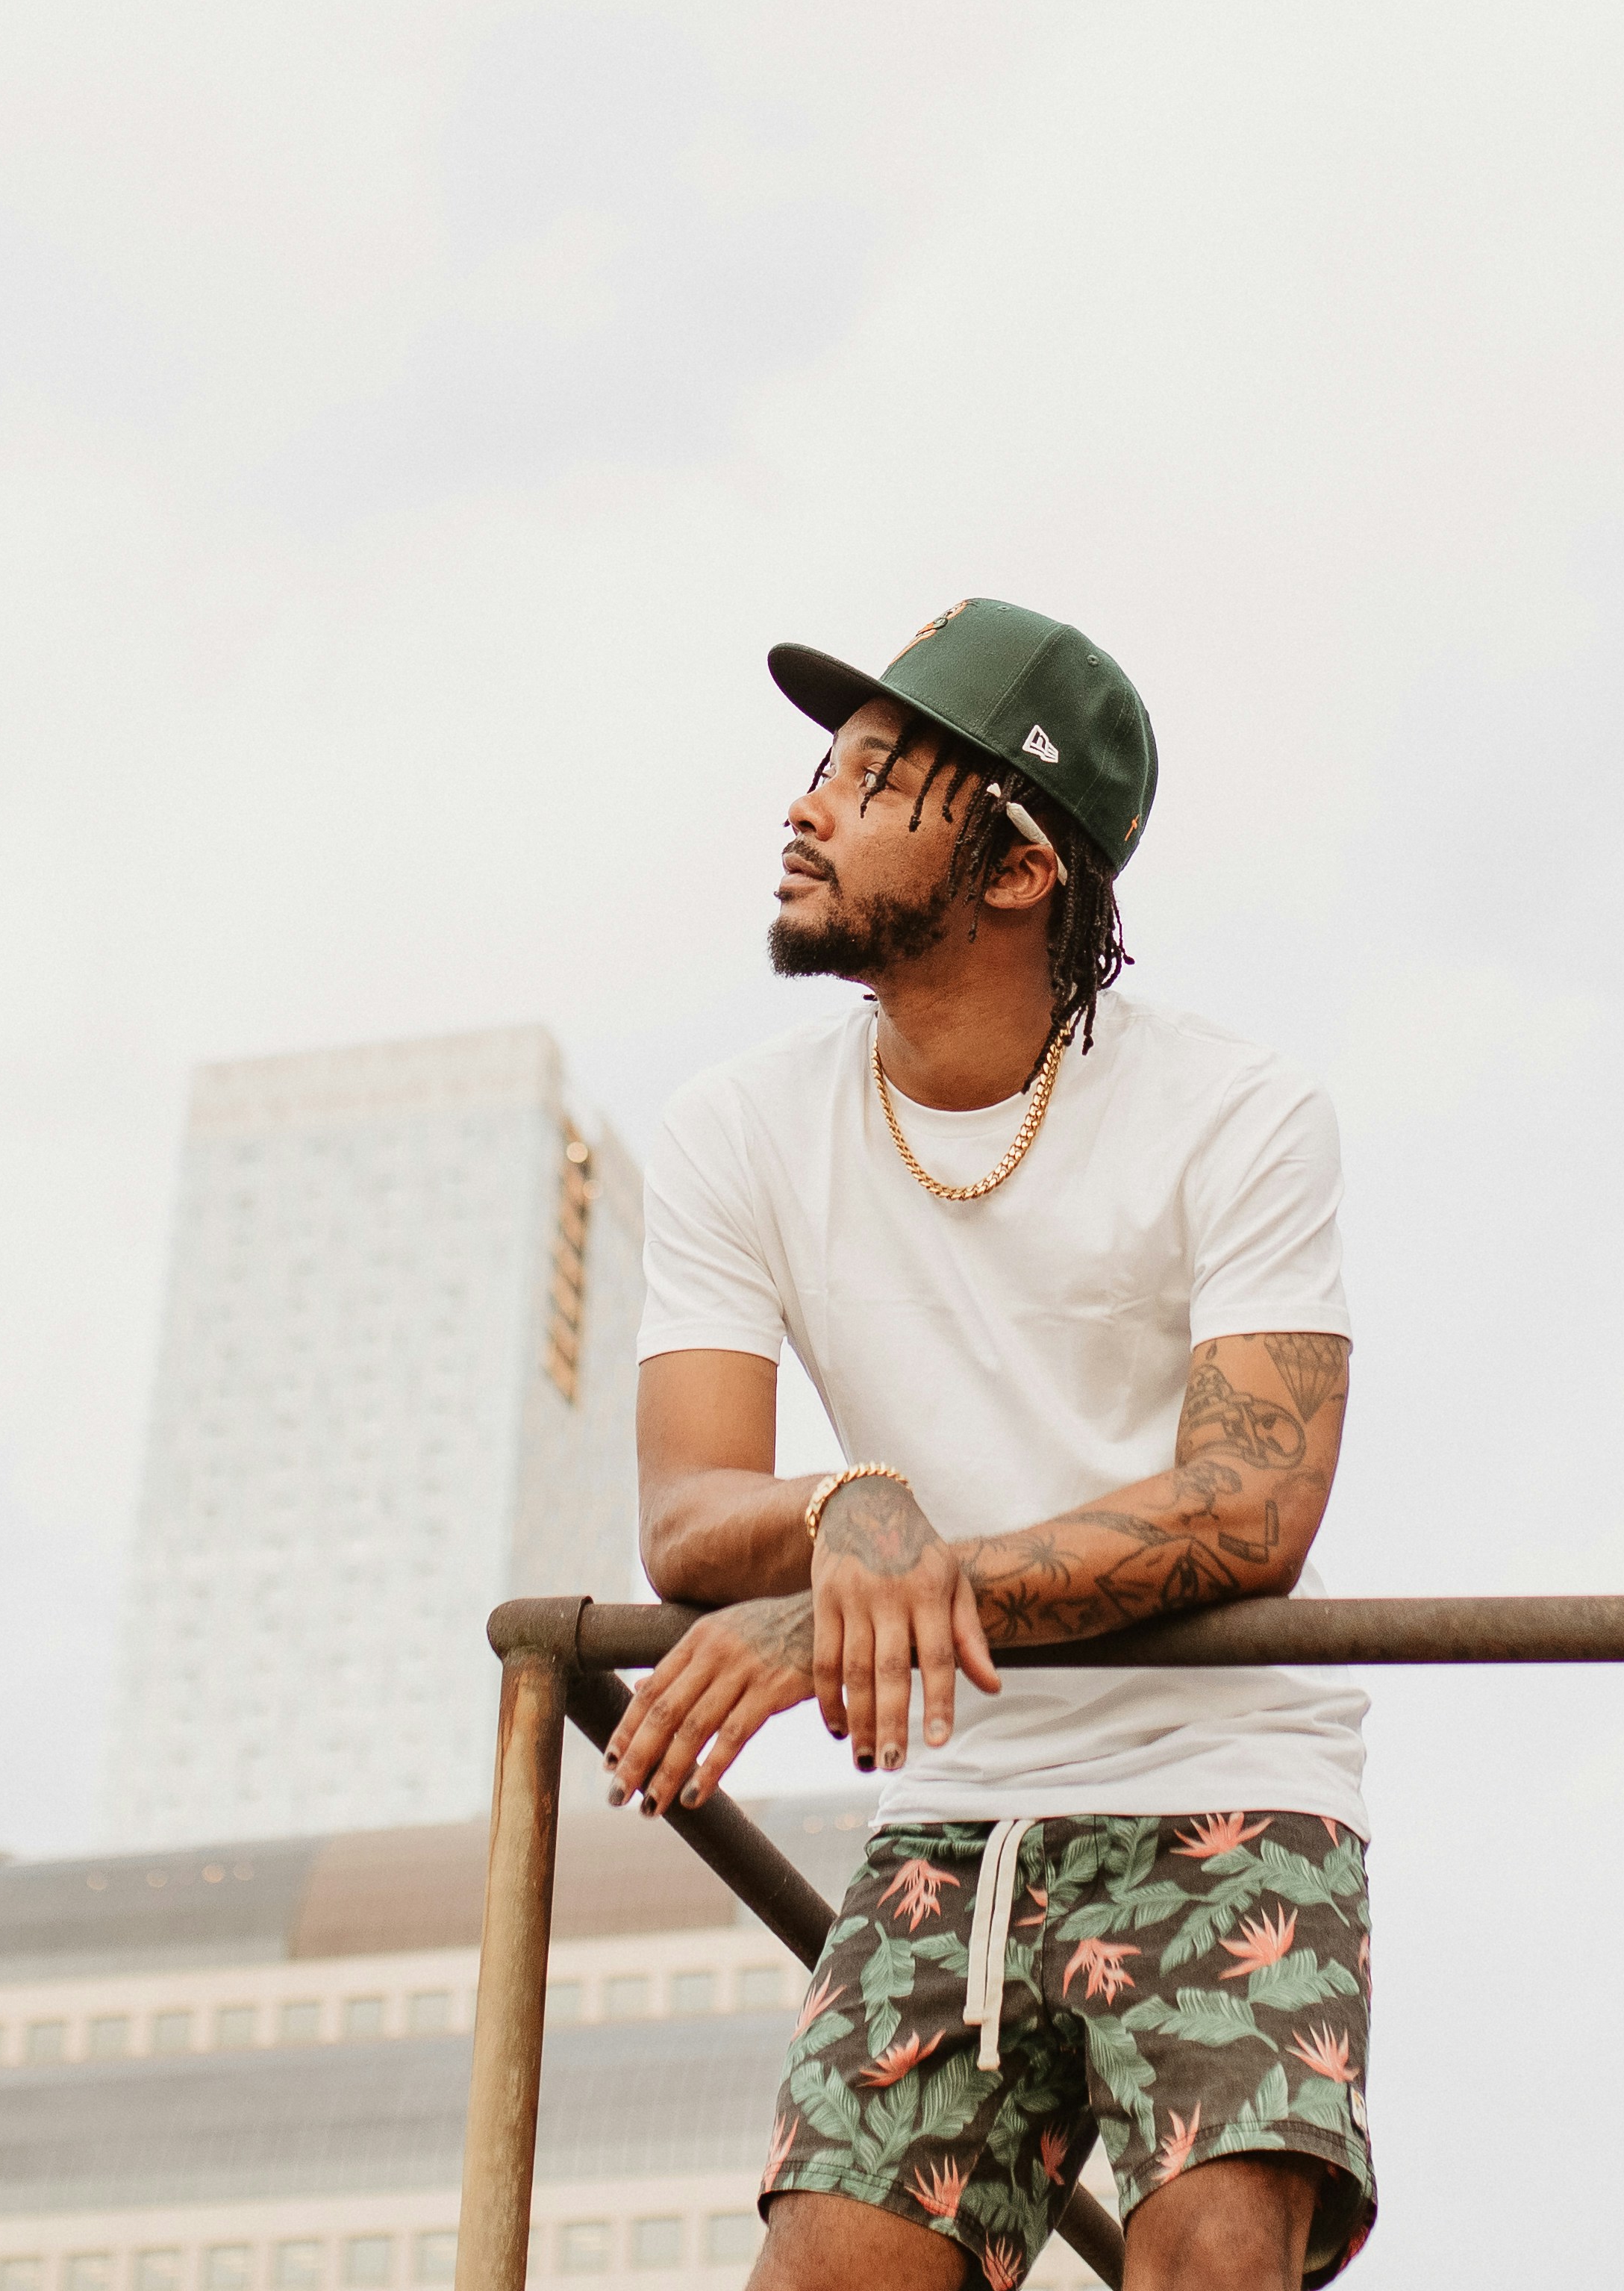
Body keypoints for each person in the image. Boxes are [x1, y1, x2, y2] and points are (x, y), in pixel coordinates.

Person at [611, 599, 1375, 2291]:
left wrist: (860, 1604)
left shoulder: (1240, 1115)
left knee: (1210, 2263)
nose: (809, 804)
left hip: (1223, 1793)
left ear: (1022, 866)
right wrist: (849, 1505)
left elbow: (1252, 1509)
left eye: (879, 776)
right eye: (825, 764)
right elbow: (686, 1512)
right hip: (956, 1806)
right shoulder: (736, 1132)